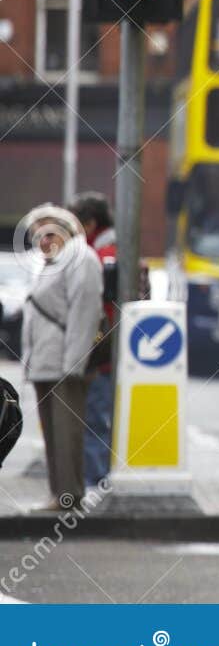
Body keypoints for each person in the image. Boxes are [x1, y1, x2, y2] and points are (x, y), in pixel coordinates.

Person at [18, 204, 102, 510]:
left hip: (64, 364)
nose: (42, 239)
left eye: (48, 231)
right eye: (36, 234)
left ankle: (69, 495)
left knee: (66, 433)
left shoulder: (81, 259)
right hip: (45, 361)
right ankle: (60, 494)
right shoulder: (52, 262)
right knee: (54, 434)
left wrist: (74, 364)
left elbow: (85, 313)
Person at [70, 192, 116, 491]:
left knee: (93, 418)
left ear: (90, 223)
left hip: (98, 352)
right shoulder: (112, 250)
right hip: (106, 351)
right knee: (96, 416)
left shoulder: (100, 257)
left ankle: (94, 480)